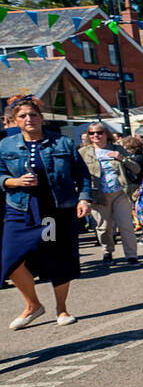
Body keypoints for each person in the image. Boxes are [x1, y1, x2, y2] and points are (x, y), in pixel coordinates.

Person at [1, 96, 93, 328]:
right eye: (22, 116)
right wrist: (14, 182)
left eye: (33, 115)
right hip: (20, 208)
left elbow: (82, 175)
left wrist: (84, 199)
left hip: (56, 208)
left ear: (42, 118)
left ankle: (61, 310)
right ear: (14, 121)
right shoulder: (5, 145)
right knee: (9, 260)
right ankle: (33, 305)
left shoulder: (62, 142)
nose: (29, 119)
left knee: (59, 258)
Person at [79, 122, 139, 265]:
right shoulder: (84, 152)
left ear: (106, 134)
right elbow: (78, 174)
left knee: (126, 226)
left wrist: (122, 158)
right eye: (92, 133)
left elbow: (136, 169)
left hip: (120, 193)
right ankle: (108, 252)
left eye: (99, 132)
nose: (96, 135)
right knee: (104, 228)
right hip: (98, 195)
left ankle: (131, 255)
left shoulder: (117, 149)